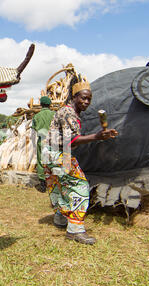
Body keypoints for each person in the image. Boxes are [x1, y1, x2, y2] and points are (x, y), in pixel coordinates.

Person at [43, 81, 118, 245]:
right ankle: (75, 231)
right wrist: (97, 136)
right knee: (80, 186)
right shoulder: (68, 113)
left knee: (63, 187)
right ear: (74, 96)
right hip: (57, 155)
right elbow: (72, 139)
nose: (86, 102)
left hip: (51, 154)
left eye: (89, 99)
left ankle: (62, 219)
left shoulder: (71, 113)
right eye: (83, 98)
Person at [32, 96, 55, 193]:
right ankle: (54, 183)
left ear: (41, 105)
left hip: (41, 140)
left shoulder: (36, 116)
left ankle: (43, 185)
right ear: (50, 104)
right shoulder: (55, 114)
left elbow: (33, 132)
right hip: (54, 141)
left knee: (41, 162)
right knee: (54, 160)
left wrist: (34, 144)